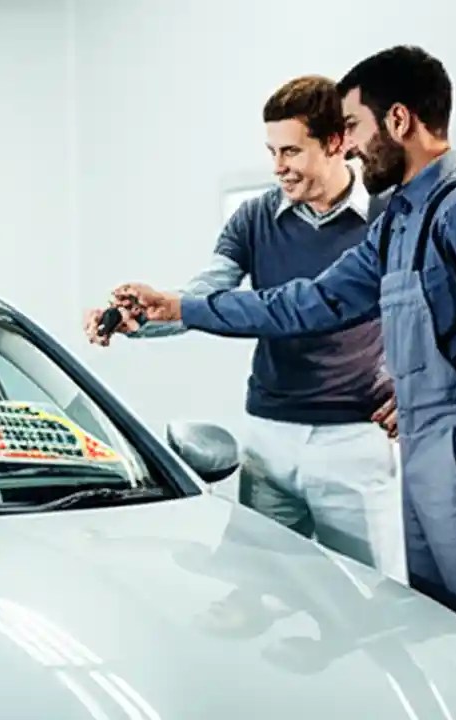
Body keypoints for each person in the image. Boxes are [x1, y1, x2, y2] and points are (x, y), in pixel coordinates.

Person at [110, 45, 456, 711]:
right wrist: (181, 307)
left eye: (355, 127)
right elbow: (307, 302)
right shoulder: (401, 221)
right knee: (443, 626)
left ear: (398, 120)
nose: (353, 146)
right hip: (425, 453)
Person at [86, 75, 407, 584]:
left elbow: (437, 313)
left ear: (335, 143)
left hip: (355, 439)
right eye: (271, 151)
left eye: (291, 151)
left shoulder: (391, 217)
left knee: (373, 594)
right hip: (267, 436)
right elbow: (207, 292)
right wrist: (140, 320)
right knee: (266, 590)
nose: (278, 166)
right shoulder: (254, 217)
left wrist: (417, 387)